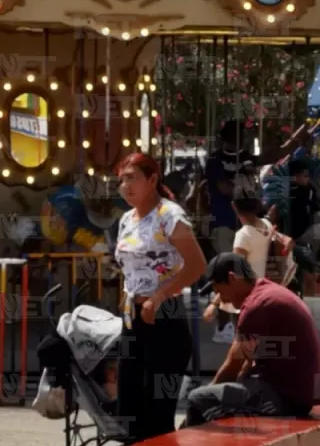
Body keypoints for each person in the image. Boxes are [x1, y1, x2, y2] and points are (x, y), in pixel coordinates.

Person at [113, 152, 207, 443]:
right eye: (121, 180)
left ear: (152, 180)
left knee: (157, 416)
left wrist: (160, 295)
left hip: (165, 319)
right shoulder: (127, 219)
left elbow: (197, 265)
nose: (126, 186)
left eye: (132, 178)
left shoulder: (170, 216)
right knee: (128, 409)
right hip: (133, 319)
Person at [185, 253, 320, 427]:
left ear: (232, 278)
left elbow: (233, 365)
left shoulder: (256, 305)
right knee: (225, 395)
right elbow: (247, 362)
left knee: (198, 399)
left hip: (286, 400)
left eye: (219, 291)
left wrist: (208, 393)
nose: (223, 299)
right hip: (297, 394)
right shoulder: (267, 292)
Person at [204, 197, 276, 338]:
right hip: (262, 291)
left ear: (234, 206)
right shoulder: (266, 225)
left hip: (246, 296)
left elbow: (234, 273)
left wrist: (214, 304)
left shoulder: (243, 235)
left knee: (244, 340)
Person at [204, 121, 258, 256]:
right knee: (231, 261)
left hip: (245, 224)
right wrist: (246, 190)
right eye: (241, 135)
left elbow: (253, 181)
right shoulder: (215, 159)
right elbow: (223, 187)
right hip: (223, 223)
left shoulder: (245, 157)